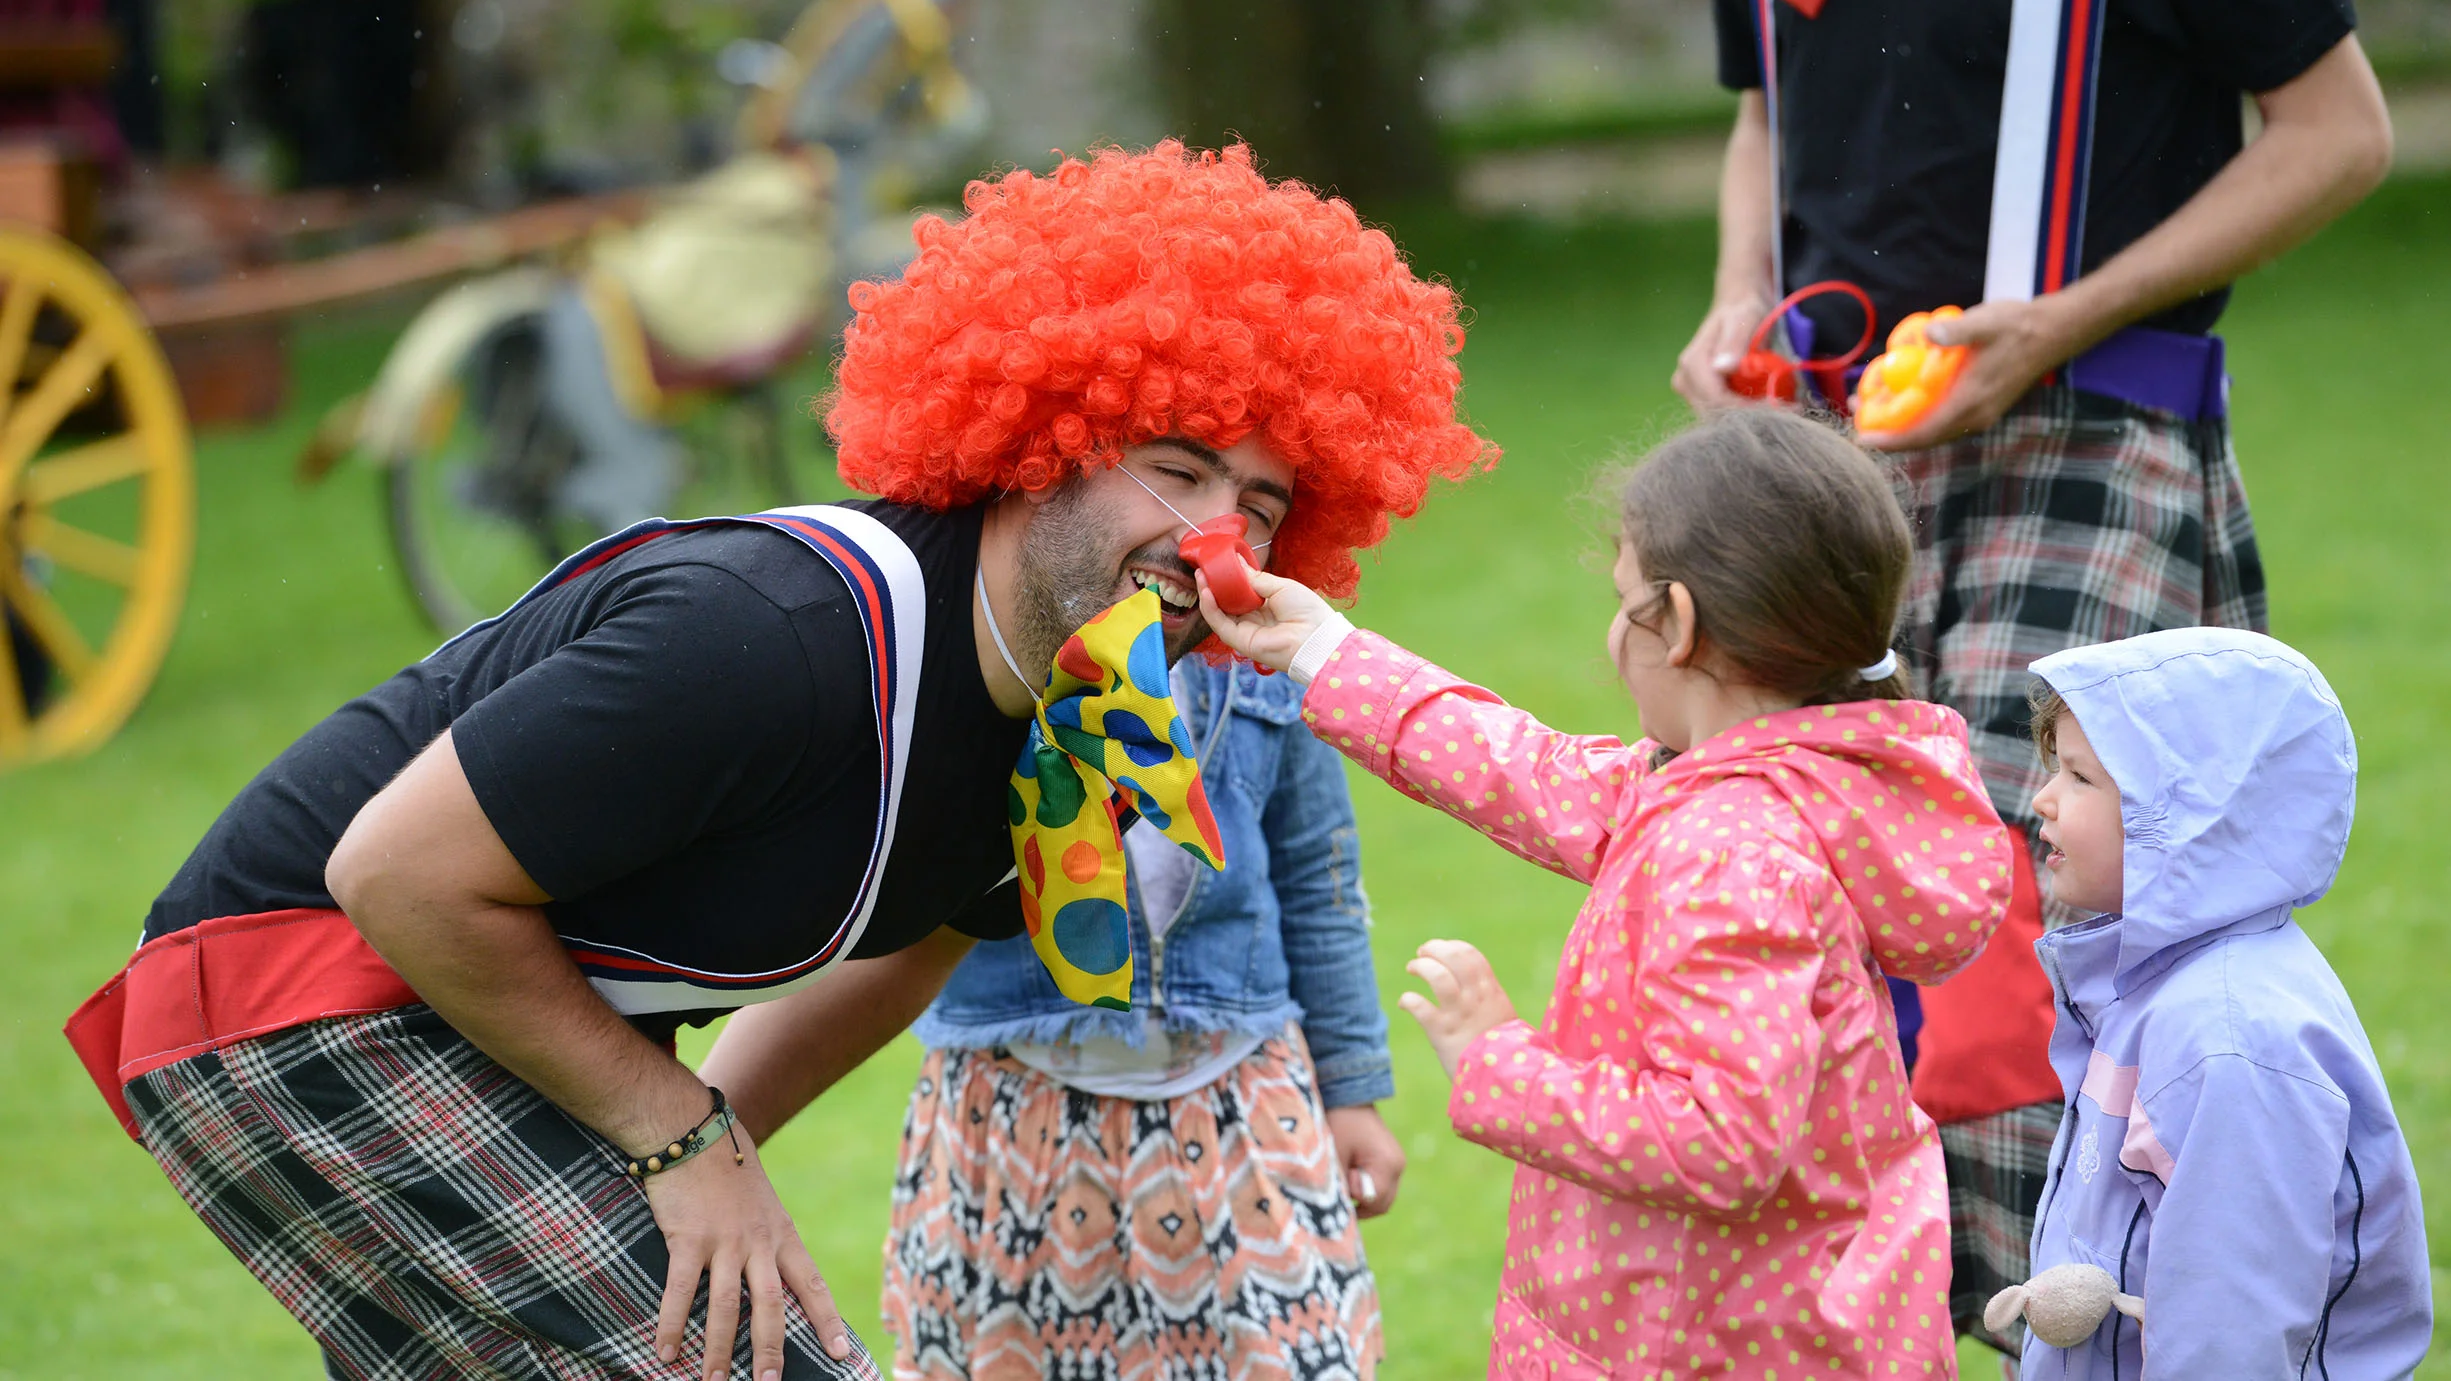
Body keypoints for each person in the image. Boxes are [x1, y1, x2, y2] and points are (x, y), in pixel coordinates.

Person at [64, 141, 1490, 1381]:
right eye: (1173, 469)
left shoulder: (1078, 724)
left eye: (1263, 501)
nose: (1216, 541)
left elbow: (928, 940)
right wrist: (675, 1145)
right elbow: (394, 874)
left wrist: (704, 1150)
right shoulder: (777, 632)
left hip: (473, 1028)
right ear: (1037, 440)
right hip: (292, 997)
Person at [1683, 0, 2397, 1350]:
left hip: (2088, 435)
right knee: (1781, 932)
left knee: (2024, 932)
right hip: (1821, 458)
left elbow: (2337, 132)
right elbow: (1761, 113)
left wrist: (2060, 320)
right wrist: (1740, 292)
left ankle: (2099, 1332)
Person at [1202, 408, 2016, 1379]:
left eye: (1623, 594)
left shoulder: (1728, 852)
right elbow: (1524, 769)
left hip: (1701, 1347)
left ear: (1673, 623)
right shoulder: (1782, 786)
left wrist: (1496, 1061)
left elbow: (1720, 1138)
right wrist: (1324, 649)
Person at [714, 642, 1401, 1381]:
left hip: (1245, 1107)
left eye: (1259, 519)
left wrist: (1352, 1086)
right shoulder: (981, 656)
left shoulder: (1262, 664)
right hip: (1013, 1125)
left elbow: (1317, 876)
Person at [2010, 629, 2430, 1376]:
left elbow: (2228, 1331)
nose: (2040, 798)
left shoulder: (2225, 1038)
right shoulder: (2152, 983)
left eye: (2078, 777)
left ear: (2187, 815)